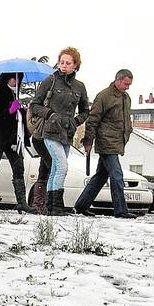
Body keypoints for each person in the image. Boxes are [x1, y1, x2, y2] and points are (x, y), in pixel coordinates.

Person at [29, 47, 90, 216]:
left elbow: (85, 110)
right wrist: (50, 114)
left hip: (68, 133)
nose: (64, 65)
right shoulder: (50, 81)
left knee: (56, 168)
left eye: (68, 63)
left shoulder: (80, 86)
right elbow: (34, 105)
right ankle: (57, 205)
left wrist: (77, 121)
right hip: (50, 131)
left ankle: (51, 207)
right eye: (62, 62)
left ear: (75, 65)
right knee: (62, 166)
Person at [75, 69, 137, 218]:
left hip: (117, 142)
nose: (127, 87)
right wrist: (88, 141)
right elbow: (93, 120)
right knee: (117, 175)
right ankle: (121, 210)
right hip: (106, 142)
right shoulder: (104, 96)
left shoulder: (126, 98)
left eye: (129, 84)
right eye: (126, 84)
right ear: (118, 80)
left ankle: (81, 205)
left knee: (101, 176)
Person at [0, 73, 29, 212]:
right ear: (7, 78)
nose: (17, 81)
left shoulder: (16, 94)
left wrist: (21, 112)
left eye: (19, 79)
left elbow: (16, 120)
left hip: (13, 138)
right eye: (15, 78)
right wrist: (10, 110)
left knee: (19, 167)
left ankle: (21, 202)